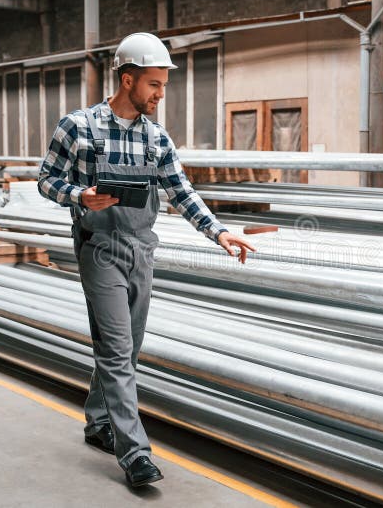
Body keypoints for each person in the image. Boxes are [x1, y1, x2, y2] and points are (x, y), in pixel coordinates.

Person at [37, 32, 255, 488]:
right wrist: (79, 195)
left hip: (141, 249)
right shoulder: (77, 127)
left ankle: (99, 421)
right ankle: (134, 453)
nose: (160, 94)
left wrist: (219, 231)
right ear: (128, 79)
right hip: (98, 247)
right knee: (117, 351)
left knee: (126, 348)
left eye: (163, 86)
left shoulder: (156, 138)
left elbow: (181, 191)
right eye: (154, 85)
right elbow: (46, 180)